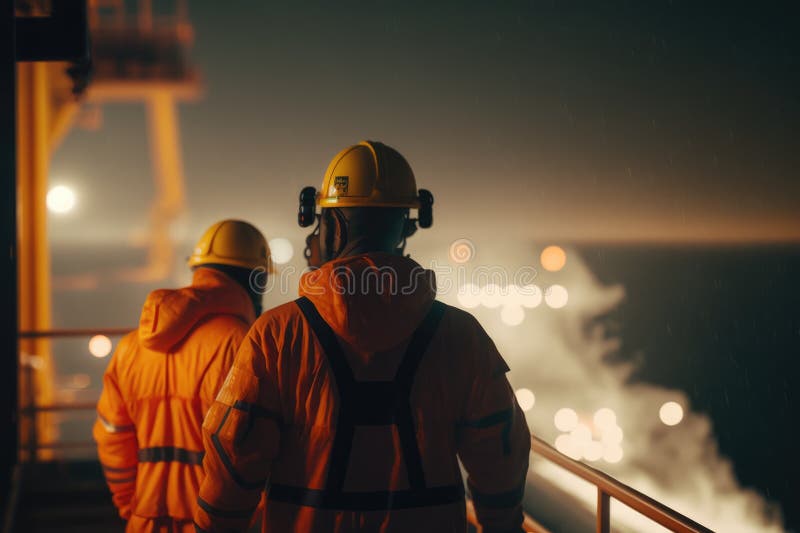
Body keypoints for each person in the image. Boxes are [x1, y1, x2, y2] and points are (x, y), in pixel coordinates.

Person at [194, 141, 531, 533]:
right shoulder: (461, 336)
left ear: (333, 226)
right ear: (406, 226)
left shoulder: (277, 334)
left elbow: (234, 457)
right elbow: (501, 456)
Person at [94, 219, 271, 532]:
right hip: (213, 522)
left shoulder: (131, 346)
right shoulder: (242, 344)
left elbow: (112, 436)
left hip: (144, 520)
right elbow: (253, 449)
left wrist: (129, 504)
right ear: (255, 279)